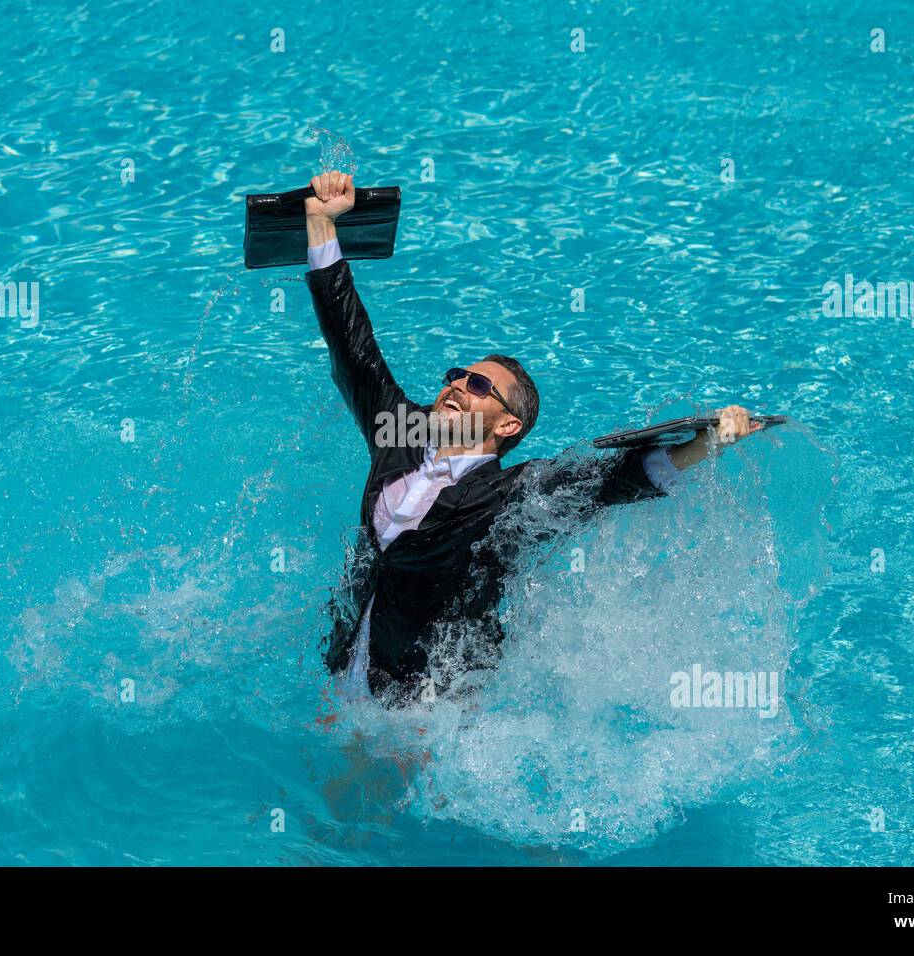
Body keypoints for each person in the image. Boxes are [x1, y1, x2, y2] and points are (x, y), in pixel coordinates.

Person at [304, 171, 765, 705]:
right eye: (456, 375)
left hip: (426, 704)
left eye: (478, 386)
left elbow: (607, 482)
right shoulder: (399, 431)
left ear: (507, 426)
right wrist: (320, 222)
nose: (456, 385)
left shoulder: (511, 494)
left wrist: (710, 443)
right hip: (349, 671)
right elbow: (351, 343)